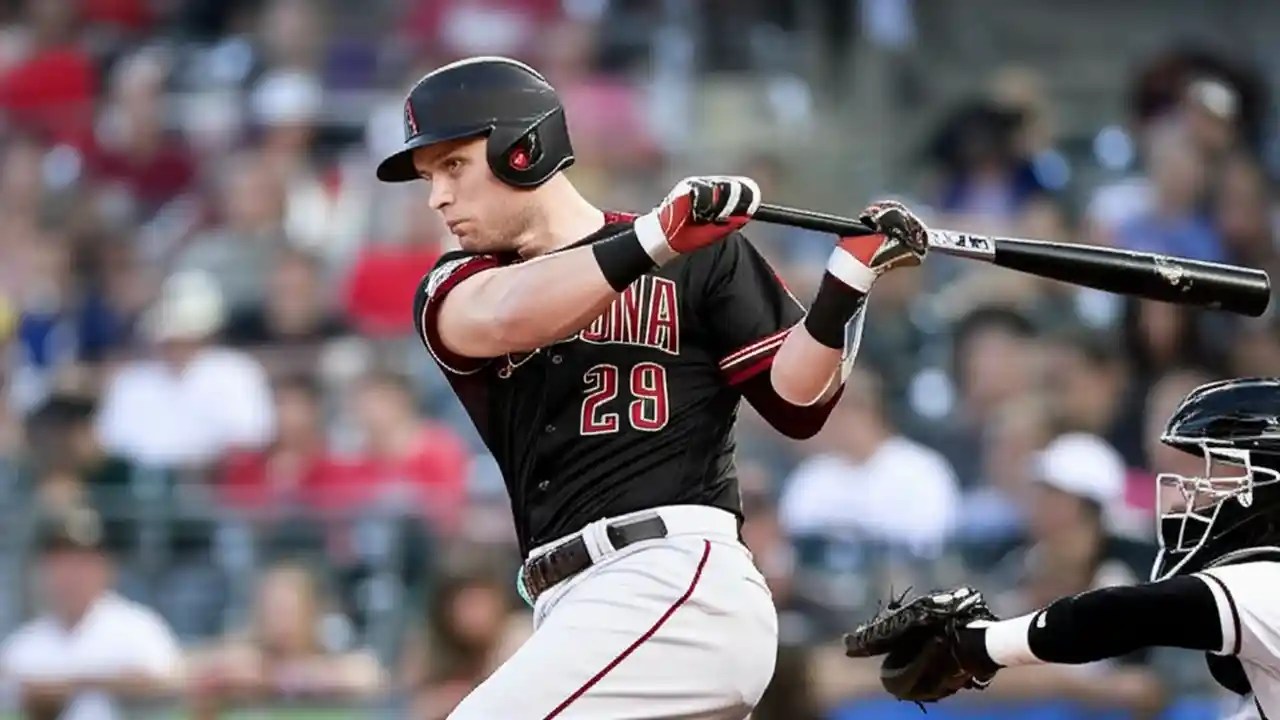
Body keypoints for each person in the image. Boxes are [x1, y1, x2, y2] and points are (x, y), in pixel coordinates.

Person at [376, 56, 929, 718]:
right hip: (576, 607)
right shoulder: (457, 282)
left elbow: (797, 401)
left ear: (522, 149)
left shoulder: (700, 254)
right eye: (430, 176)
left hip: (673, 578)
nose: (437, 195)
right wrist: (656, 236)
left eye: (454, 165)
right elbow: (511, 313)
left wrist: (846, 284)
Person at [871, 377, 1280, 718]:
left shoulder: (1267, 583)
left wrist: (977, 644)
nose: (1187, 497)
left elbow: (1122, 616)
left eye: (1223, 473)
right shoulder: (1020, 561)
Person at [0, 506, 183, 720]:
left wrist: (77, 684)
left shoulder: (137, 626)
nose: (70, 575)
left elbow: (172, 684)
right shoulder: (25, 643)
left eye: (82, 563)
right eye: (60, 563)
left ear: (105, 567)